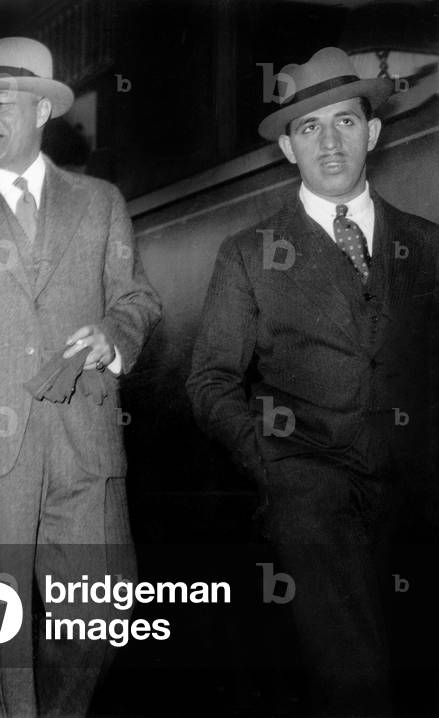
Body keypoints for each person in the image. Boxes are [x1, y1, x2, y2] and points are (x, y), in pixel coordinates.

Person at [0, 37, 161, 717]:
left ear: (41, 109)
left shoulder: (100, 202)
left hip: (85, 443)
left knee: (102, 611)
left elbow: (135, 297)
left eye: (2, 102)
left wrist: (112, 335)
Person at [187, 47, 439, 716]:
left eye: (344, 122)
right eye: (308, 127)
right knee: (354, 687)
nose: (329, 141)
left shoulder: (428, 244)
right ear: (288, 151)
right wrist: (276, 464)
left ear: (374, 132)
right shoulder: (248, 253)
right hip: (314, 508)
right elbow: (210, 381)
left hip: (419, 501)